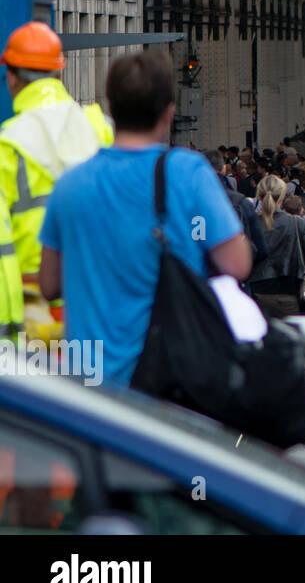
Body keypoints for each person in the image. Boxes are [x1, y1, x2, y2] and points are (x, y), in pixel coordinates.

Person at [37, 50, 251, 387]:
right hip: (169, 375)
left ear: (111, 108)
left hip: (90, 383)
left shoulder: (71, 184)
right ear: (168, 114)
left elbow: (48, 285)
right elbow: (237, 264)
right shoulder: (189, 173)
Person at [0, 21, 114, 341]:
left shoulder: (7, 146)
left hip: (33, 312)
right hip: (96, 302)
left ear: (11, 77)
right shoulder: (100, 129)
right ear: (59, 74)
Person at [248, 175, 305, 319]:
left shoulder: (250, 224)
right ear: (283, 197)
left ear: (259, 196)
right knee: (292, 337)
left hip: (258, 291)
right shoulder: (296, 223)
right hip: (290, 290)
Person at [205, 150, 269, 271]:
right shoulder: (241, 202)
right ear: (224, 169)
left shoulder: (189, 204)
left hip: (200, 281)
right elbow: (261, 249)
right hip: (235, 278)